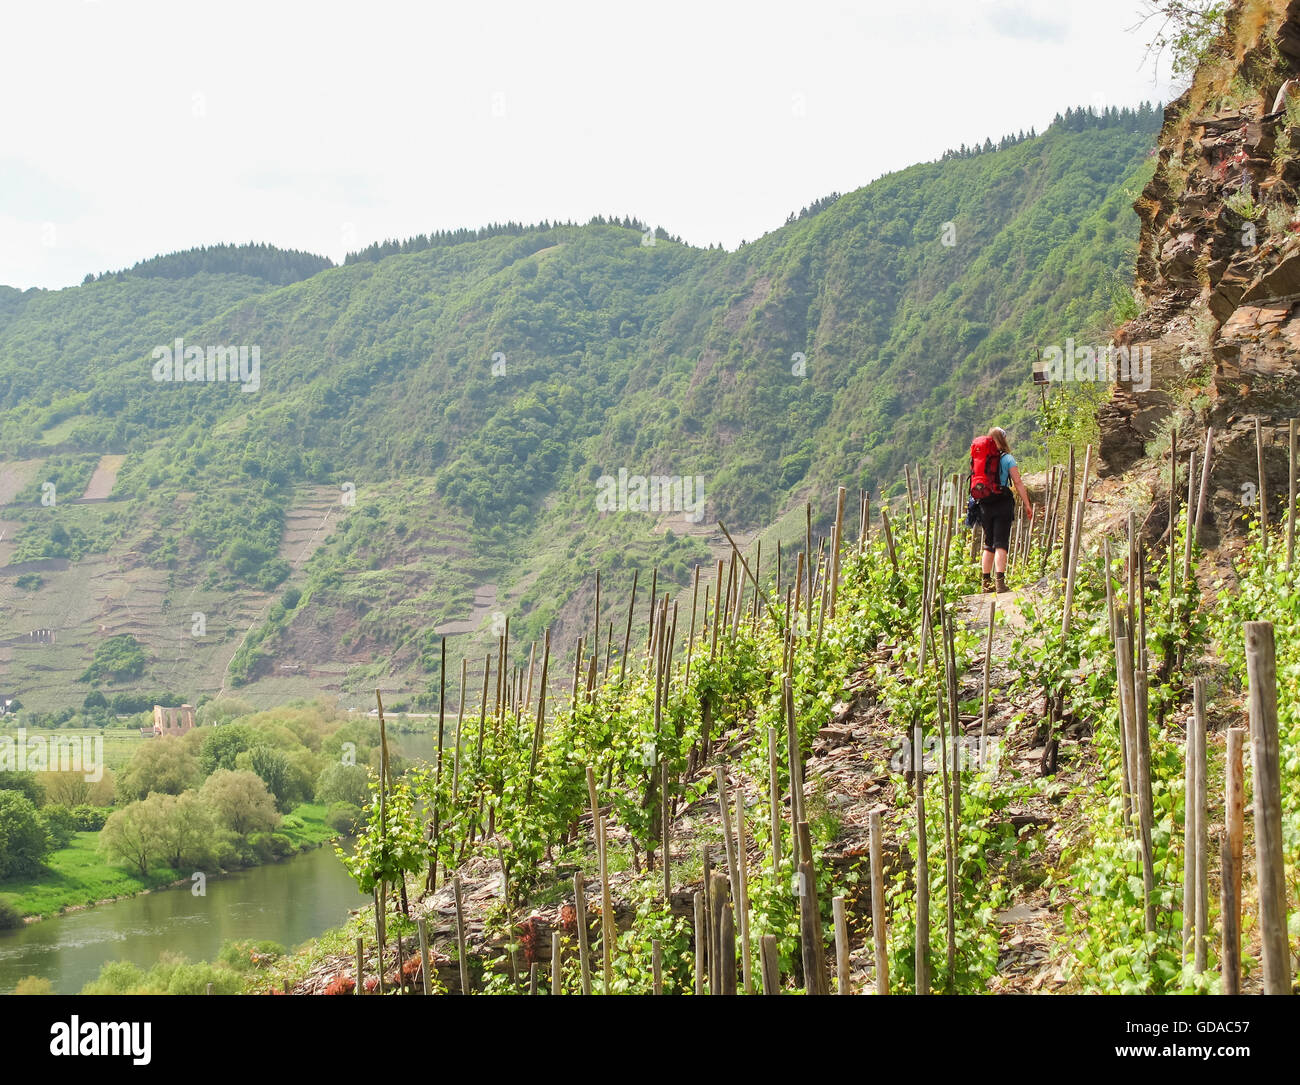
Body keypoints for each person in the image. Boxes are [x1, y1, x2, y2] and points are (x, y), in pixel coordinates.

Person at [974, 427, 1032, 593]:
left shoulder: (982, 458)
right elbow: (1018, 483)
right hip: (1002, 503)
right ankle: (1000, 583)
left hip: (984, 503)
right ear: (1004, 440)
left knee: (989, 542)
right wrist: (1027, 504)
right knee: (1001, 543)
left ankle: (986, 583)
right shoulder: (1008, 459)